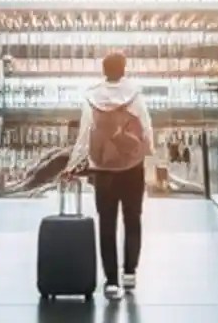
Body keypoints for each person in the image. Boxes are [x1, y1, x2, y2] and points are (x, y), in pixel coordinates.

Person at [63, 51, 154, 300]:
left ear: (104, 71)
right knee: (133, 219)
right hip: (132, 167)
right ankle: (130, 274)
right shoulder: (135, 94)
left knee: (107, 222)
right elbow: (146, 129)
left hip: (103, 169)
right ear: (123, 69)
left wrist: (73, 164)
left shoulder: (92, 96)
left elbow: (84, 135)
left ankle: (111, 281)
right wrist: (146, 153)